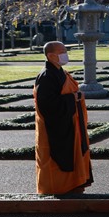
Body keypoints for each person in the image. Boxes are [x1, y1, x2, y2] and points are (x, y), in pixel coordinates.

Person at [34, 41, 93, 195]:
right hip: (56, 127)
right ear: (51, 55)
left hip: (69, 123)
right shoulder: (46, 76)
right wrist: (72, 97)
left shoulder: (60, 72)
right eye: (62, 51)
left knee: (73, 153)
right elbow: (46, 104)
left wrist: (75, 97)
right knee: (59, 156)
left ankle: (74, 183)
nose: (65, 54)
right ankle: (58, 188)